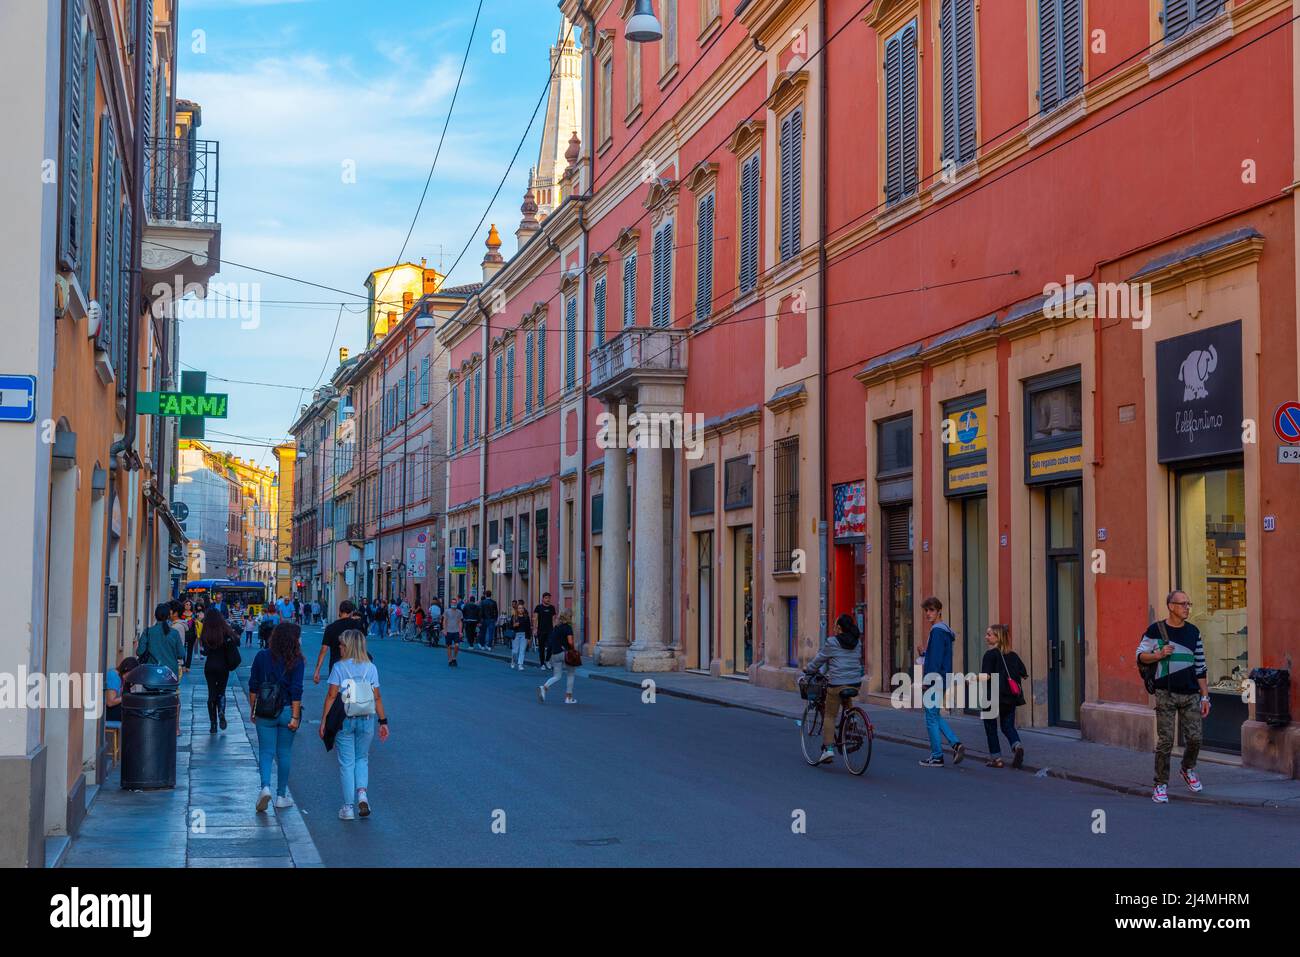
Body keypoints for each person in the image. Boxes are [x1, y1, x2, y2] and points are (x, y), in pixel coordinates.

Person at [1138, 590, 1209, 803]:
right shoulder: (1155, 630)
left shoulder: (1193, 632)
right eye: (1183, 604)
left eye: (1189, 603)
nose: (1187, 607)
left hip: (1190, 694)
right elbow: (1140, 655)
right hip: (1165, 693)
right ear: (1171, 606)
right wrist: (1158, 655)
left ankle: (1187, 769)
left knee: (1195, 738)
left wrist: (1205, 696)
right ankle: (1160, 785)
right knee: (1166, 741)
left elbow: (1200, 666)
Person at [320, 630, 389, 820]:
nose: (339, 648)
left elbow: (332, 696)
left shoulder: (339, 667)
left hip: (345, 719)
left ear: (348, 646)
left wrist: (324, 720)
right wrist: (383, 721)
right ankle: (362, 794)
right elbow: (377, 697)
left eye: (342, 645)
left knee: (347, 763)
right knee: (362, 759)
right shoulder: (371, 668)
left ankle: (348, 807)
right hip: (367, 718)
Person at [249, 622, 305, 812]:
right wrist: (295, 717)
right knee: (284, 753)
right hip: (288, 709)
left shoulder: (262, 656)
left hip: (265, 709)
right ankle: (281, 795)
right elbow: (297, 690)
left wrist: (253, 709)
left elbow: (253, 686)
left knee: (265, 752)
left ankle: (265, 787)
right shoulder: (297, 660)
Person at [802, 614, 866, 765]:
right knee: (846, 695)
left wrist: (809, 669)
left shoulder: (832, 642)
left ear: (839, 628)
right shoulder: (857, 642)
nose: (834, 627)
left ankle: (828, 750)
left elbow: (820, 659)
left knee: (830, 715)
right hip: (855, 683)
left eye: (836, 625)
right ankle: (852, 721)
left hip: (837, 683)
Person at [917, 596, 965, 768]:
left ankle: (937, 755)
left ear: (939, 611)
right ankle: (955, 744)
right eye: (926, 610)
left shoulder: (937, 631)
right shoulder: (944, 631)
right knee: (934, 714)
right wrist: (924, 655)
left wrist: (927, 680)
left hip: (935, 679)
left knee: (930, 717)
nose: (928, 614)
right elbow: (937, 658)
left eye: (931, 610)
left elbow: (936, 660)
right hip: (943, 678)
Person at [980, 624, 1027, 769]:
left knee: (990, 727)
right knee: (1007, 725)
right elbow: (1023, 673)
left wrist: (972, 680)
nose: (986, 637)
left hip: (992, 695)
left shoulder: (989, 655)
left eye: (989, 635)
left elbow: (986, 676)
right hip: (1010, 697)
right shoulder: (1013, 655)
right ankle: (1017, 746)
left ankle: (997, 759)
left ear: (997, 637)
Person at [200, 607, 241, 734]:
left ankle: (213, 724)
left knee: (211, 693)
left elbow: (205, 651)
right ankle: (221, 712)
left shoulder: (206, 632)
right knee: (221, 691)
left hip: (210, 666)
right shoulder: (226, 631)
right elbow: (236, 642)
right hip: (223, 666)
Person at [313, 600, 366, 684]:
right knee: (354, 693)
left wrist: (317, 670)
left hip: (336, 664)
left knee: (335, 694)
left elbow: (324, 650)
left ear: (339, 611)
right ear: (351, 612)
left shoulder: (331, 627)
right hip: (355, 665)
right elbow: (362, 645)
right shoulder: (357, 625)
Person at [538, 610, 578, 704]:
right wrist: (573, 649)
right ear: (569, 618)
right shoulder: (568, 628)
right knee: (571, 674)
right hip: (566, 653)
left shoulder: (556, 627)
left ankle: (544, 687)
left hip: (555, 653)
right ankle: (568, 698)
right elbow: (570, 642)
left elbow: (551, 640)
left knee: (557, 676)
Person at [137, 603, 185, 678]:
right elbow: (181, 654)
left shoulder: (147, 632)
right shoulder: (174, 633)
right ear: (168, 616)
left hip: (152, 674)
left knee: (151, 689)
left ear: (155, 616)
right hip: (170, 674)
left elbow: (140, 652)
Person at [104, 656, 138, 724]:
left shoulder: (123, 678)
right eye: (131, 673)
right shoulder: (114, 676)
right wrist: (126, 697)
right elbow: (110, 702)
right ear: (126, 669)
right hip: (108, 713)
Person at [533, 593, 557, 669]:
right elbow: (535, 619)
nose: (548, 599)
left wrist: (555, 630)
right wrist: (535, 629)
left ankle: (547, 660)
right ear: (543, 599)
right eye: (546, 598)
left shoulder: (552, 608)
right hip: (541, 630)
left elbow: (553, 620)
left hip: (550, 630)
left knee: (551, 645)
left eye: (549, 598)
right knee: (541, 647)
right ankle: (542, 663)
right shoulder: (538, 607)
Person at [510, 600, 532, 670]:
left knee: (522, 650)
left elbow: (528, 628)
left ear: (523, 609)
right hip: (516, 635)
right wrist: (514, 625)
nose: (521, 609)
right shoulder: (514, 617)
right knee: (515, 651)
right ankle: (513, 660)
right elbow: (510, 627)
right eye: (519, 608)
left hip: (524, 635)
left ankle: (520, 664)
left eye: (522, 608)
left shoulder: (526, 617)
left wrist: (529, 637)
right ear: (517, 609)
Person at [443, 600, 463, 667]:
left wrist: (460, 632)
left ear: (456, 604)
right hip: (448, 631)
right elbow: (444, 621)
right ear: (450, 603)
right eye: (452, 603)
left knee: (457, 645)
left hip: (456, 631)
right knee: (449, 646)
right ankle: (450, 660)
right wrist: (444, 630)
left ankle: (454, 658)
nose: (453, 604)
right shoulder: (447, 611)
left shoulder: (459, 612)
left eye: (455, 603)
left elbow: (460, 622)